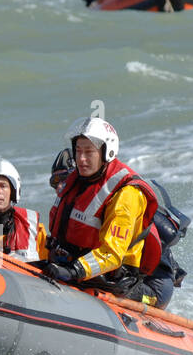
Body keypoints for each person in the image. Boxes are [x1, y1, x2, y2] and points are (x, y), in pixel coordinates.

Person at [44, 118, 166, 304]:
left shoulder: (127, 193)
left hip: (115, 280)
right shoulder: (76, 181)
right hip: (76, 266)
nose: (81, 159)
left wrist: (74, 271)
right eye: (78, 151)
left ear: (106, 152)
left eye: (89, 152)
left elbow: (112, 254)